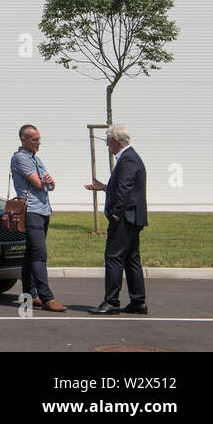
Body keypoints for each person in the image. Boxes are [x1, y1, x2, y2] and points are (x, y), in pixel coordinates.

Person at [84, 125, 149, 314]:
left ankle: (111, 301)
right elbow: (123, 186)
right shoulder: (131, 157)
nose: (107, 146)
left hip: (125, 217)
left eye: (107, 142)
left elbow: (125, 189)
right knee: (131, 258)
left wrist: (116, 214)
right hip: (132, 217)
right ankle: (138, 301)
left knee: (113, 257)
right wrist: (105, 187)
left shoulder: (127, 159)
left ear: (114, 141)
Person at [11, 125, 67, 311]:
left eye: (39, 139)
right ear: (23, 140)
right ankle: (46, 297)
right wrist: (46, 183)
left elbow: (51, 185)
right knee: (39, 254)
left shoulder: (37, 159)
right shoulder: (20, 158)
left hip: (43, 210)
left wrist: (48, 183)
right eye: (34, 140)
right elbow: (38, 183)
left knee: (30, 255)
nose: (38, 143)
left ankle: (30, 294)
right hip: (31, 211)